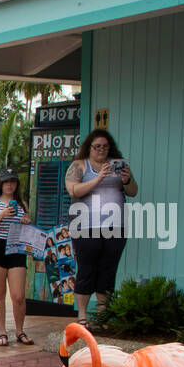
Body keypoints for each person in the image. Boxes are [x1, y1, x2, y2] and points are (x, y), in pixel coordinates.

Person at [66, 127, 138, 326]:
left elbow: (133, 192)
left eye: (105, 147)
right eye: (97, 146)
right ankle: (82, 316)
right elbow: (73, 190)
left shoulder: (117, 165)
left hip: (115, 225)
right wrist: (98, 178)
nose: (101, 150)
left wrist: (126, 179)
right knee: (87, 269)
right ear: (89, 148)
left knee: (108, 269)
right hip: (85, 225)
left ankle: (103, 315)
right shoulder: (79, 166)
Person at [0, 169, 34, 346]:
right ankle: (2, 331)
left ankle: (20, 330)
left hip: (16, 247)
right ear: (1, 184)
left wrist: (26, 221)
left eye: (13, 181)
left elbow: (28, 227)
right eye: (6, 182)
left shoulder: (22, 204)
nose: (9, 185)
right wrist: (1, 215)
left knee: (18, 295)